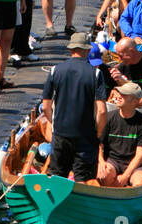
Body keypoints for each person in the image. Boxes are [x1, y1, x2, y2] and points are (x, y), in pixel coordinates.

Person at [41, 33, 108, 183]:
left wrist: (54, 126)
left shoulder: (55, 70)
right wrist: (97, 134)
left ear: (71, 49)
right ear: (86, 50)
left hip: (60, 134)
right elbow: (102, 111)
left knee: (56, 178)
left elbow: (46, 107)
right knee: (82, 180)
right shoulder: (96, 73)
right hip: (85, 135)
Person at [97, 81, 142, 187]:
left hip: (136, 166)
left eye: (124, 94)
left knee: (140, 182)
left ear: (135, 101)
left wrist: (126, 175)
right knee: (104, 175)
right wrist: (101, 162)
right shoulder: (108, 117)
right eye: (119, 93)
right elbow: (99, 143)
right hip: (113, 162)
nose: (118, 96)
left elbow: (140, 155)